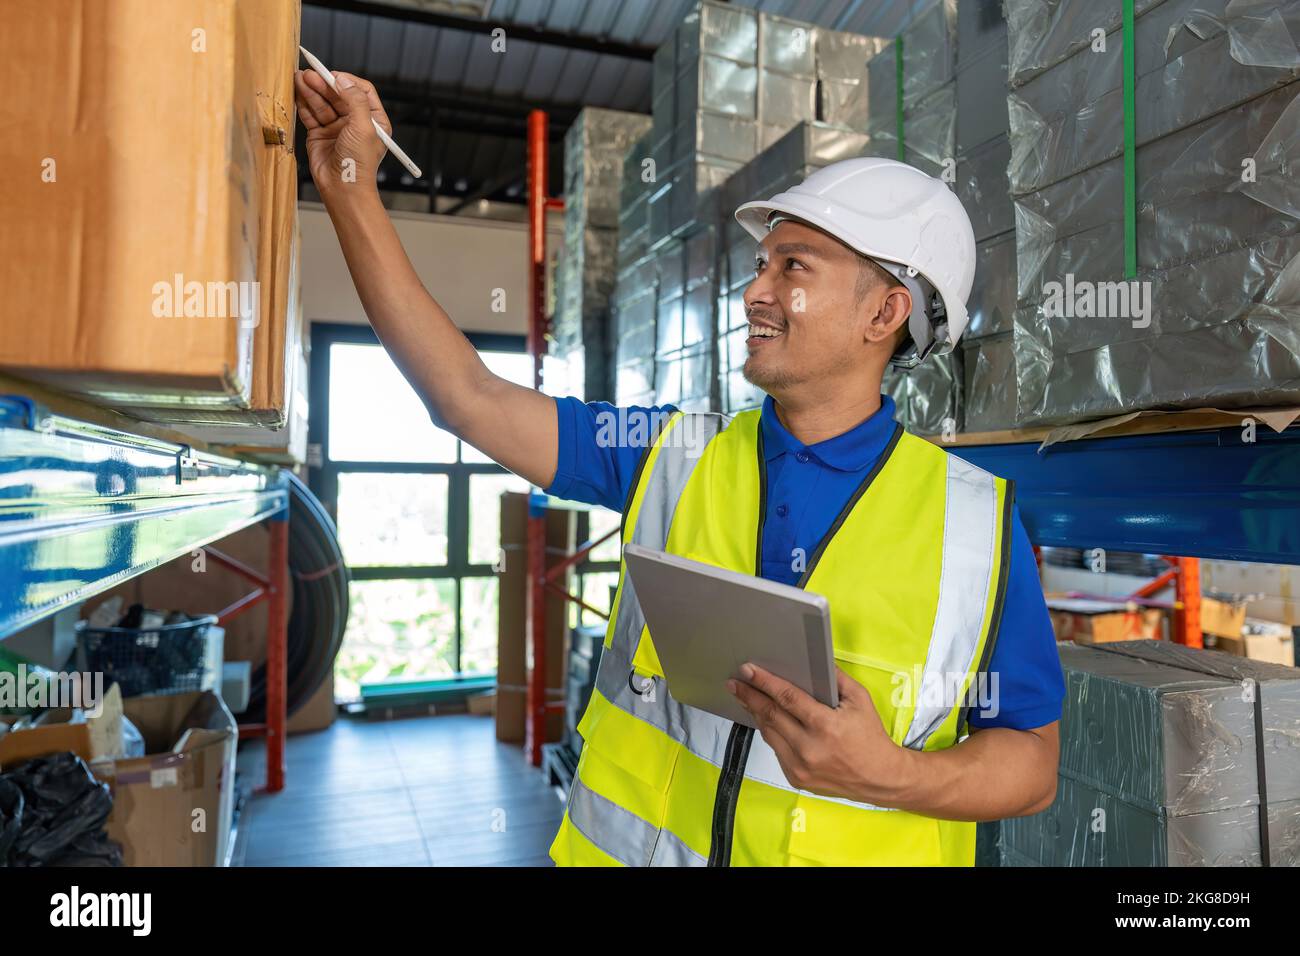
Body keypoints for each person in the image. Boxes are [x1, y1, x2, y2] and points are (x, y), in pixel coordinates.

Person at [294, 67, 1064, 867]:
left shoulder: (975, 524)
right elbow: (468, 398)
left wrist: (890, 775)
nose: (753, 292)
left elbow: (1031, 763)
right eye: (762, 263)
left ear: (884, 311)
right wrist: (347, 184)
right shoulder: (666, 452)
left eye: (792, 267)